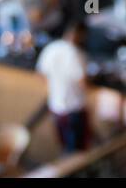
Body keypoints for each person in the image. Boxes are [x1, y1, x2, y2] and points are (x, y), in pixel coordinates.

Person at [36, 21, 91, 153]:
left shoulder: (51, 48)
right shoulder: (77, 54)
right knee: (78, 151)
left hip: (56, 107)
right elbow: (83, 83)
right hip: (75, 109)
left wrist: (55, 87)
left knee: (65, 147)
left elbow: (40, 74)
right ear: (81, 35)